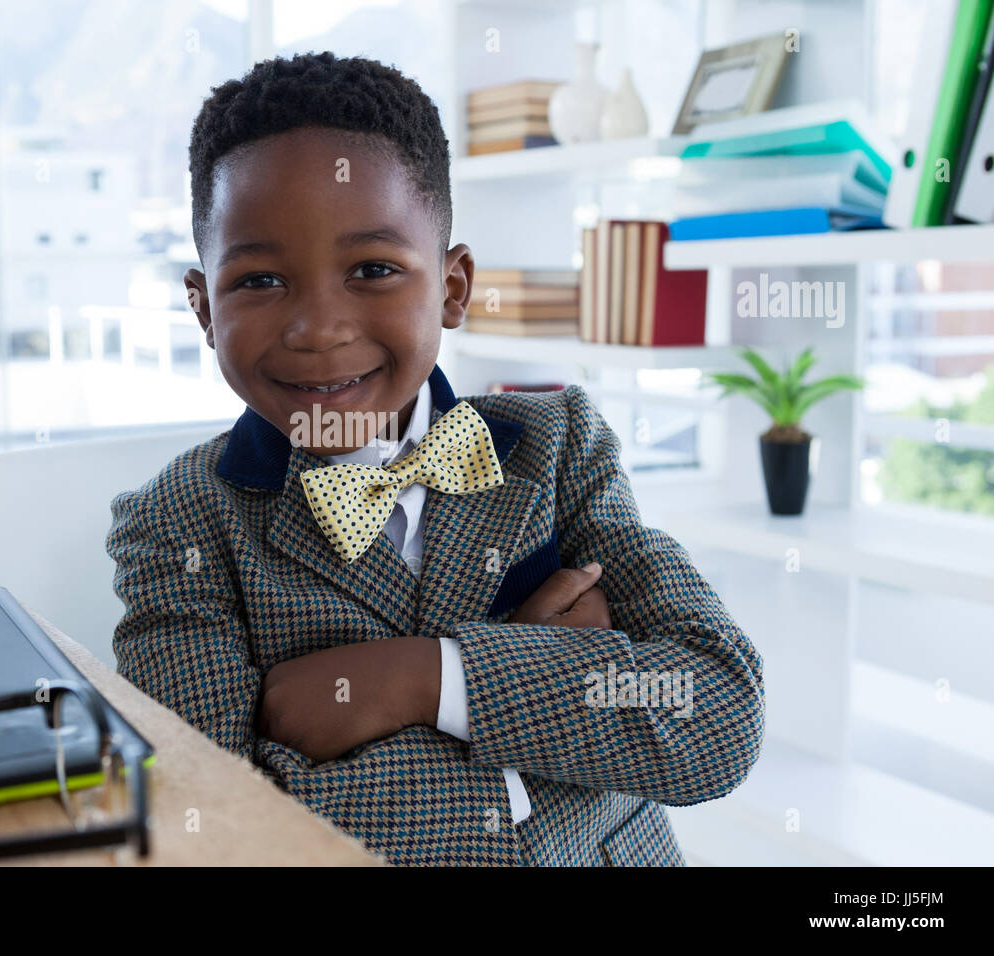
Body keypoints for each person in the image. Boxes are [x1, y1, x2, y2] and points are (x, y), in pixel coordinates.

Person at [105, 51, 764, 865]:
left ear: (452, 288)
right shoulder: (175, 525)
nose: (319, 326)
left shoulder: (558, 445)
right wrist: (553, 677)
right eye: (261, 280)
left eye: (373, 269)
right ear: (204, 308)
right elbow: (218, 823)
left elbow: (718, 715)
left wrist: (426, 679)